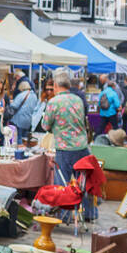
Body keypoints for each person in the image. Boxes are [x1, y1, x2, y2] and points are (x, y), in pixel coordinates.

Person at [41, 68, 95, 221]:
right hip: (82, 147)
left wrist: (54, 127)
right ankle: (88, 214)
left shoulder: (54, 101)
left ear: (57, 86)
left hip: (64, 147)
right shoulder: (77, 99)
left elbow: (45, 125)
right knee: (82, 183)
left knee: (62, 183)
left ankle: (64, 216)